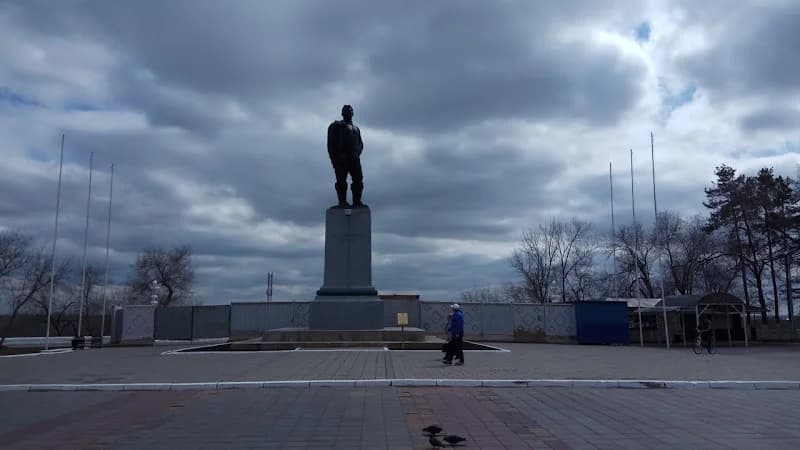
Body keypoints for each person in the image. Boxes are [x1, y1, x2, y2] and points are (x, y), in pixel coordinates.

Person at [327, 104, 366, 208]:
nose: (348, 113)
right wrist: (335, 159)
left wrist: (357, 153)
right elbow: (331, 144)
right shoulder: (336, 126)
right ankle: (342, 202)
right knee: (341, 181)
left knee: (358, 179)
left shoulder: (356, 129)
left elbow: (360, 143)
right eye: (345, 111)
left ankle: (357, 201)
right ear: (342, 113)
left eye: (349, 111)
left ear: (352, 113)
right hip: (342, 159)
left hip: (354, 158)